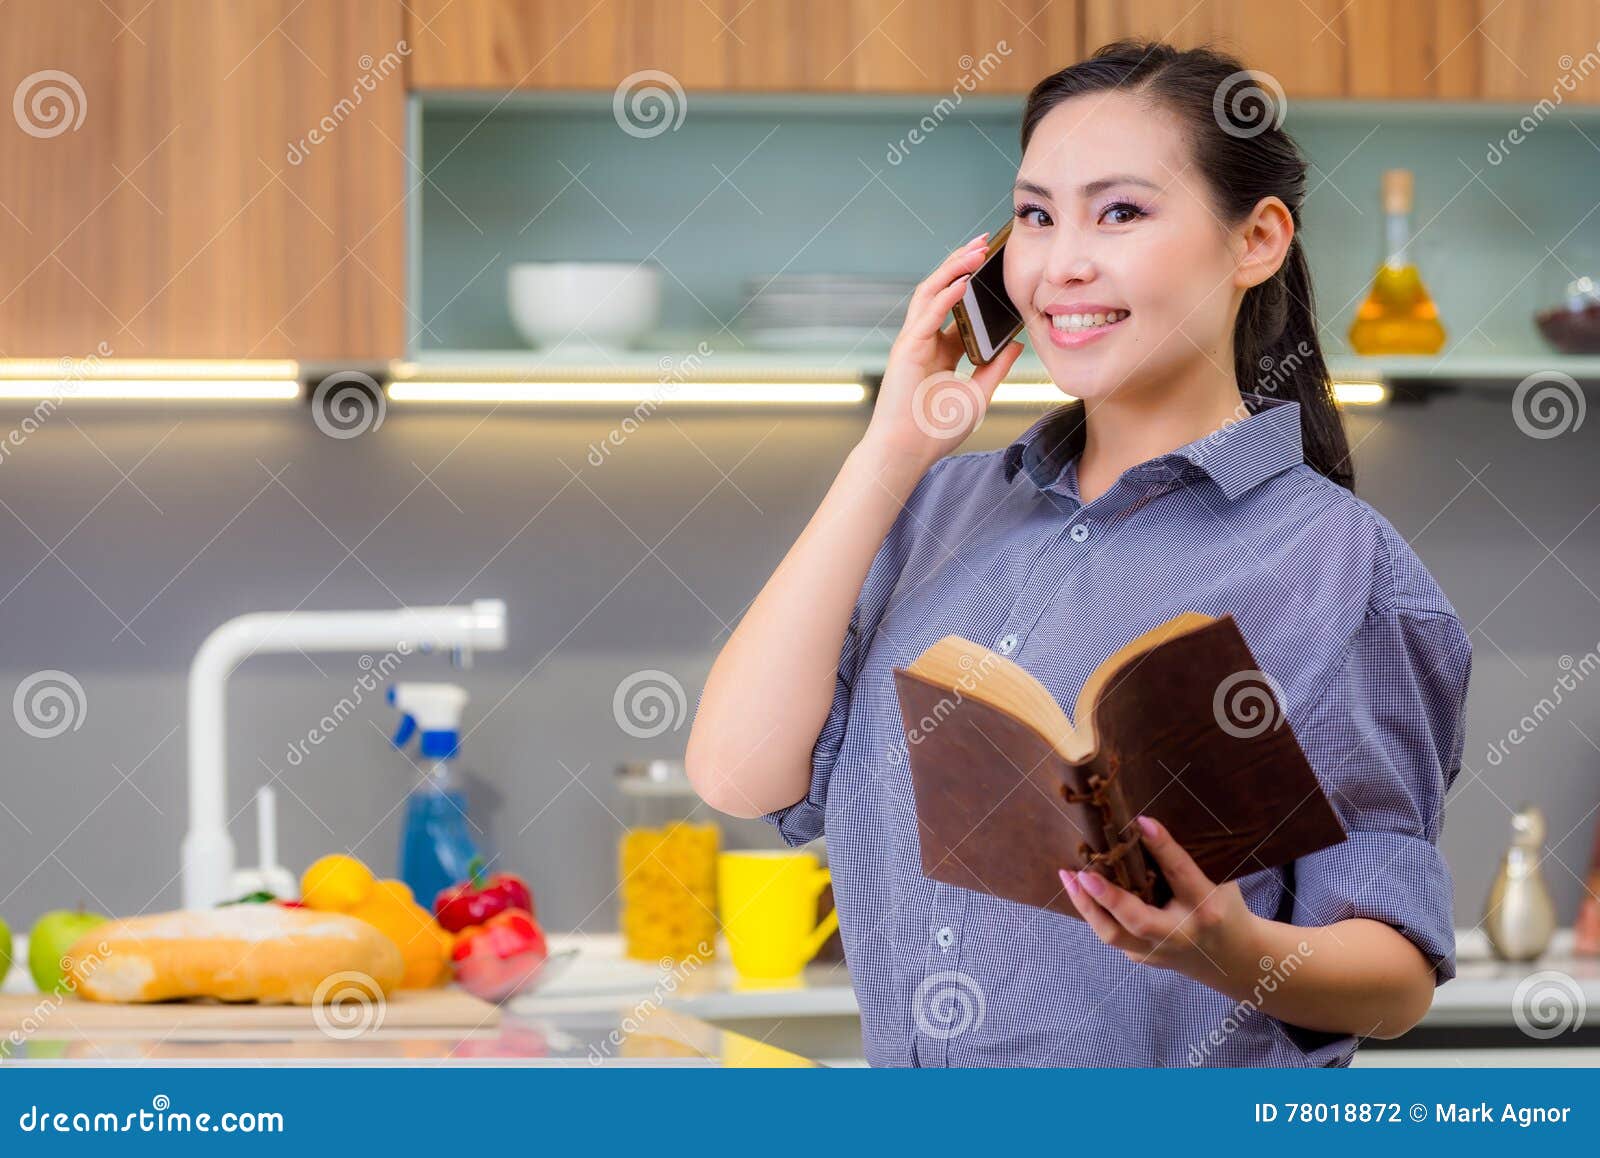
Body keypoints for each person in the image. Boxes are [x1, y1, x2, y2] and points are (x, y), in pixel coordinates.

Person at [685, 39, 1472, 1067]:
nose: (1060, 265)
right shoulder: (933, 507)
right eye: (1035, 216)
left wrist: (1229, 950)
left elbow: (1396, 977)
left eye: (1121, 212)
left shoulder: (1336, 564)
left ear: (1256, 240)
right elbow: (737, 775)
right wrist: (891, 450)